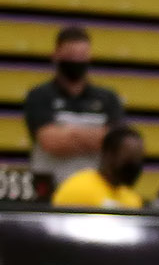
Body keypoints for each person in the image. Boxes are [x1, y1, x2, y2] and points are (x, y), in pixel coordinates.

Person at [25, 25, 124, 194]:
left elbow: (114, 143)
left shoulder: (108, 98)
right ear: (56, 55)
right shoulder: (39, 96)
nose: (77, 61)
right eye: (71, 56)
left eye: (82, 56)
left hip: (96, 193)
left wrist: (68, 134)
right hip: (49, 191)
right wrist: (96, 137)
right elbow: (50, 142)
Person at [52, 125, 145, 208]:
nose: (134, 164)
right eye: (129, 157)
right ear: (109, 155)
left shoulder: (132, 199)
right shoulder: (79, 188)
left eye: (138, 158)